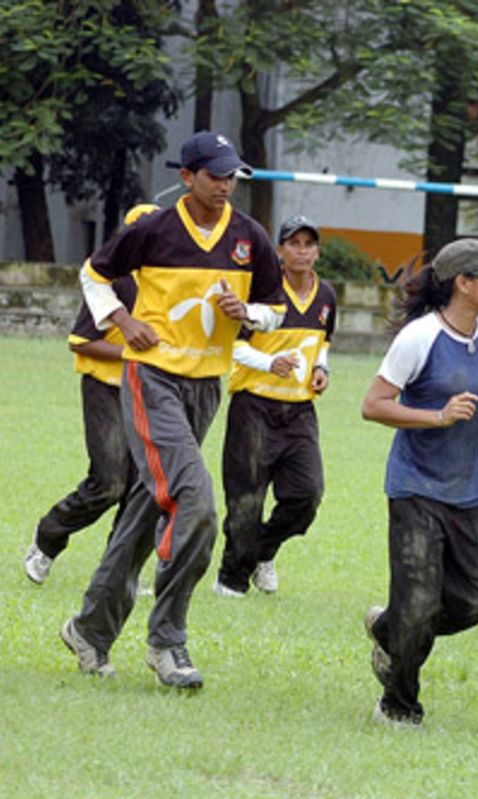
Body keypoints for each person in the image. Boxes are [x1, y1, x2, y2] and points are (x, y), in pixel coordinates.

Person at [60, 131, 284, 689]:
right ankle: (168, 641)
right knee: (197, 504)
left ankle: (90, 628)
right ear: (187, 177)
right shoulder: (152, 229)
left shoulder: (249, 236)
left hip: (206, 386)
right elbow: (94, 274)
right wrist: (122, 320)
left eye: (232, 176)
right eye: (215, 176)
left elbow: (277, 309)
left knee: (145, 504)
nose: (226, 185)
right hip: (152, 378)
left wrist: (250, 313)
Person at [360, 238, 478, 727]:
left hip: (465, 490)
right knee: (421, 600)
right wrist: (437, 417)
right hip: (414, 487)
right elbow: (374, 405)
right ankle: (399, 705)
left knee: (476, 602)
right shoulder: (419, 337)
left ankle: (391, 628)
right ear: (462, 283)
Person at [23, 205, 157, 584]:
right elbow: (81, 342)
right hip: (107, 388)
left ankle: (119, 573)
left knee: (144, 487)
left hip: (151, 392)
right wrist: (135, 352)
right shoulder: (112, 281)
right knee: (110, 482)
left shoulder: (169, 286)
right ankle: (48, 536)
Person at [214, 215, 337, 597]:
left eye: (309, 244)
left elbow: (323, 344)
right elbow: (232, 346)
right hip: (254, 407)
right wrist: (270, 364)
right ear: (279, 250)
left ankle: (262, 552)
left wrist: (321, 369)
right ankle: (230, 582)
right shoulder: (263, 291)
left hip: (299, 411)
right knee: (246, 503)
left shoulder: (326, 296)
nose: (302, 251)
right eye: (293, 243)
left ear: (317, 251)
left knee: (306, 495)